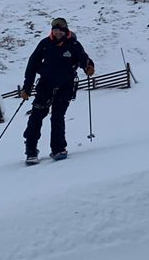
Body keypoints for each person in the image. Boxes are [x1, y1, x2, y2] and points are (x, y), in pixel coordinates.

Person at [20, 17, 94, 164]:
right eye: (55, 30)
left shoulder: (74, 44)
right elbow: (32, 65)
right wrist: (27, 87)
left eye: (60, 30)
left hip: (66, 87)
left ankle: (58, 149)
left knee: (58, 117)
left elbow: (84, 59)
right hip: (45, 86)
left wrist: (88, 67)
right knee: (36, 117)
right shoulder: (45, 44)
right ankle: (31, 151)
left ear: (65, 31)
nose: (57, 32)